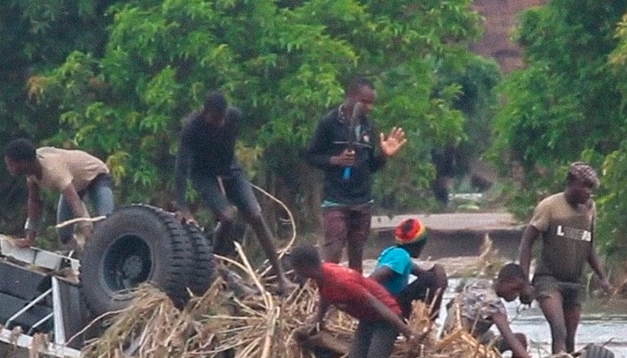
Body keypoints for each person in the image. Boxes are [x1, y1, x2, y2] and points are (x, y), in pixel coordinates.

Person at [174, 91, 292, 293]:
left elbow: (226, 149)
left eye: (222, 117)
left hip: (230, 170)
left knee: (255, 214)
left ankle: (281, 276)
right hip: (203, 174)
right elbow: (181, 168)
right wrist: (183, 206)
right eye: (215, 118)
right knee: (227, 217)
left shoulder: (234, 117)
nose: (220, 122)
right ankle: (215, 265)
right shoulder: (191, 129)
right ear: (206, 113)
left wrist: (227, 178)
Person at [305, 76, 407, 271]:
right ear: (351, 97)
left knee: (356, 257)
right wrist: (335, 160)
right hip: (336, 199)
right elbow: (311, 156)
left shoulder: (368, 126)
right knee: (333, 251)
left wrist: (385, 156)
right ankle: (329, 295)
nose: (369, 107)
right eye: (365, 102)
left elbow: (370, 167)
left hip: (362, 201)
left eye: (372, 103)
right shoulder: (329, 122)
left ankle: (354, 299)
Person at [518, 161, 610, 353]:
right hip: (549, 281)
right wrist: (525, 282)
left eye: (590, 188)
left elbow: (588, 246)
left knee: (570, 338)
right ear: (571, 183)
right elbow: (527, 243)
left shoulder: (590, 209)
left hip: (574, 283)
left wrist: (602, 277)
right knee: (559, 331)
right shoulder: (549, 206)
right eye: (584, 186)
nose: (588, 192)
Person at [3, 138, 115, 250]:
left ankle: (100, 251)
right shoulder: (31, 172)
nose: (9, 169)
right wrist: (30, 238)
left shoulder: (53, 170)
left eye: (11, 164)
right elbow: (34, 203)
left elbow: (75, 202)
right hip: (75, 183)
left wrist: (86, 231)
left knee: (105, 224)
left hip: (97, 176)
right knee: (65, 233)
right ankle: (79, 253)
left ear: (24, 162)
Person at [444, 263, 531, 358]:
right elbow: (510, 338)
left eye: (519, 291)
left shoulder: (478, 285)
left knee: (489, 335)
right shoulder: (493, 304)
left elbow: (450, 304)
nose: (516, 294)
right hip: (462, 346)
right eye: (514, 289)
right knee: (520, 340)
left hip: (447, 340)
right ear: (502, 281)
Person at [368, 217, 449, 321]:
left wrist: (438, 272)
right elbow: (372, 280)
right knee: (431, 277)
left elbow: (421, 272)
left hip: (388, 302)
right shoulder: (402, 256)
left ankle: (430, 317)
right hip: (390, 304)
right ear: (419, 244)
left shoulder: (394, 252)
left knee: (435, 272)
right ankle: (432, 317)